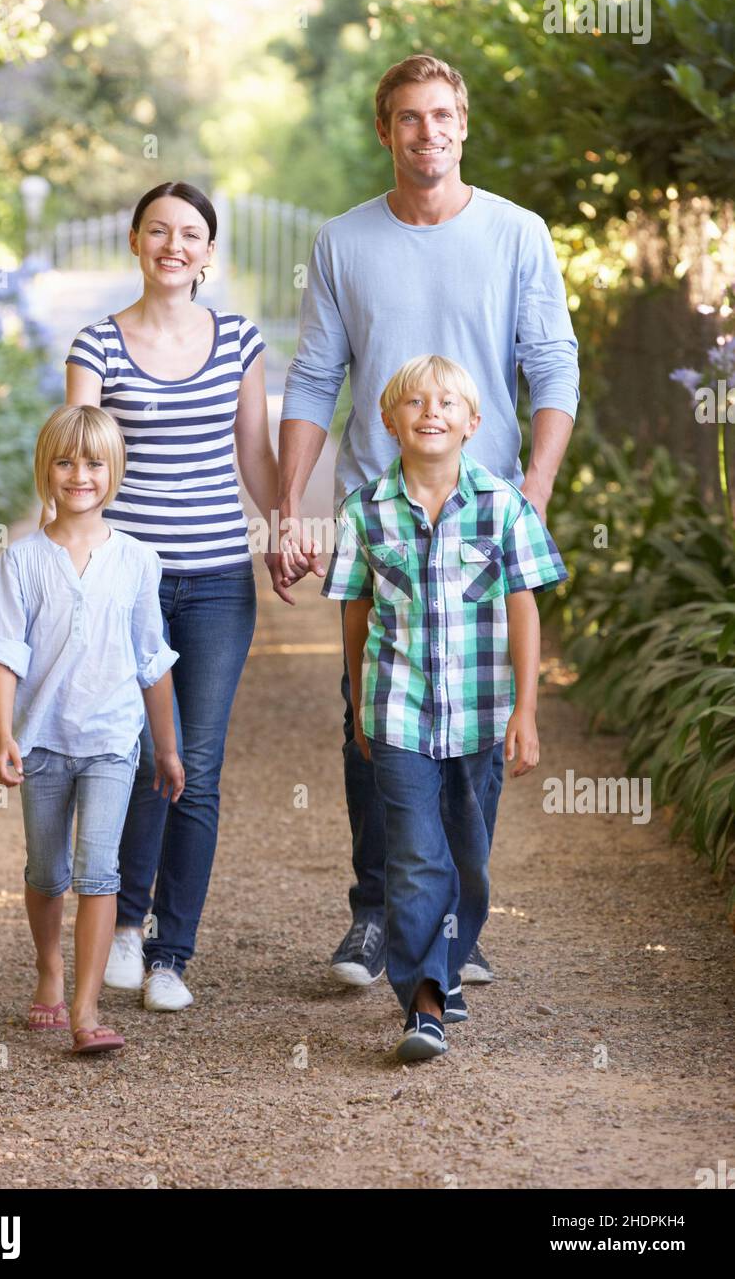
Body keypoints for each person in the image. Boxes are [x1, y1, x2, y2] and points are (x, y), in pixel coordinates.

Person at [273, 53, 579, 988]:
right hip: (381, 511)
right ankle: (377, 914)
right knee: (374, 714)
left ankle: (453, 917)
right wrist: (290, 506)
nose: (428, 132)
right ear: (386, 132)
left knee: (475, 724)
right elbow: (317, 379)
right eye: (409, 117)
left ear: (464, 124)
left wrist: (533, 489)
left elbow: (553, 366)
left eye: (442, 115)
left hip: (483, 515)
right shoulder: (343, 242)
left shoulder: (518, 234)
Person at [63, 181, 279, 1011]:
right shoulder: (98, 345)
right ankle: (123, 922)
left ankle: (170, 957)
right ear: (135, 242)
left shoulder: (238, 340)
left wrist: (287, 526)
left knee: (198, 764)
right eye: (158, 230)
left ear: (209, 252)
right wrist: (64, 568)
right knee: (143, 753)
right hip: (128, 588)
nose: (174, 245)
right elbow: (75, 458)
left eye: (190, 233)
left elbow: (254, 455)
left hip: (221, 581)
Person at [319, 356, 567, 1060]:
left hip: (480, 716)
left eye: (447, 403)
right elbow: (355, 612)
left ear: (473, 422)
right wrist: (362, 705)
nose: (431, 412)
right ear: (389, 421)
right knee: (414, 856)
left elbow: (524, 611)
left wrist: (526, 711)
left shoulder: (504, 506)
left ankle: (448, 962)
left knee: (469, 858)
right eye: (415, 403)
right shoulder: (365, 511)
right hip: (397, 710)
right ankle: (423, 1002)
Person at [0, 405, 184, 1054]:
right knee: (47, 872)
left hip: (111, 741)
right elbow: (5, 651)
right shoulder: (21, 561)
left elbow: (153, 661)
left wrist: (168, 748)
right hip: (42, 743)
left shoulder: (136, 560)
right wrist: (3, 736)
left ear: (114, 470)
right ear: (47, 468)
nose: (80, 475)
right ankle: (50, 970)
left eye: (94, 462)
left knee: (100, 873)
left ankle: (86, 1007)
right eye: (66, 461)